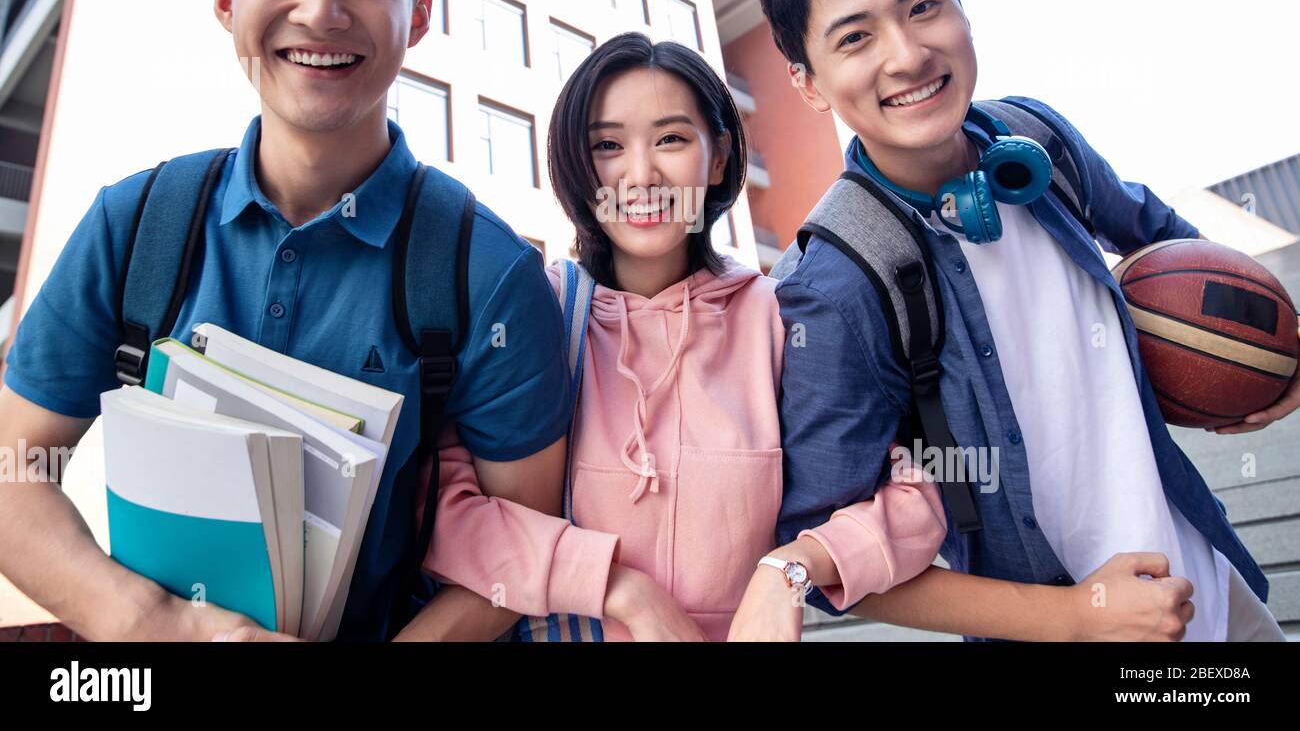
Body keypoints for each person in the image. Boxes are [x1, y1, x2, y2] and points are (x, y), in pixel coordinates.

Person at [403, 33, 1202, 643]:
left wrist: (796, 567)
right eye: (608, 146)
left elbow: (920, 488)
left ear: (718, 155)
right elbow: (451, 511)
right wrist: (614, 585)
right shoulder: (533, 313)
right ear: (576, 166)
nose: (640, 173)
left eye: (672, 138)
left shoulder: (784, 316)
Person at [0, 0, 569, 642]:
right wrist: (155, 623)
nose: (320, 10)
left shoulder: (489, 274)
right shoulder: (134, 225)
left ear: (417, 16)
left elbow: (523, 545)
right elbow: (17, 469)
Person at [744, 0, 1296, 641]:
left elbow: (1175, 247)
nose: (906, 55)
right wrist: (1075, 615)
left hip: (1212, 587)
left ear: (962, 8)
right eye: (854, 39)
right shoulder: (835, 282)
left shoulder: (1037, 138)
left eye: (923, 7)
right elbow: (829, 565)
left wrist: (1262, 363)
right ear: (807, 81)